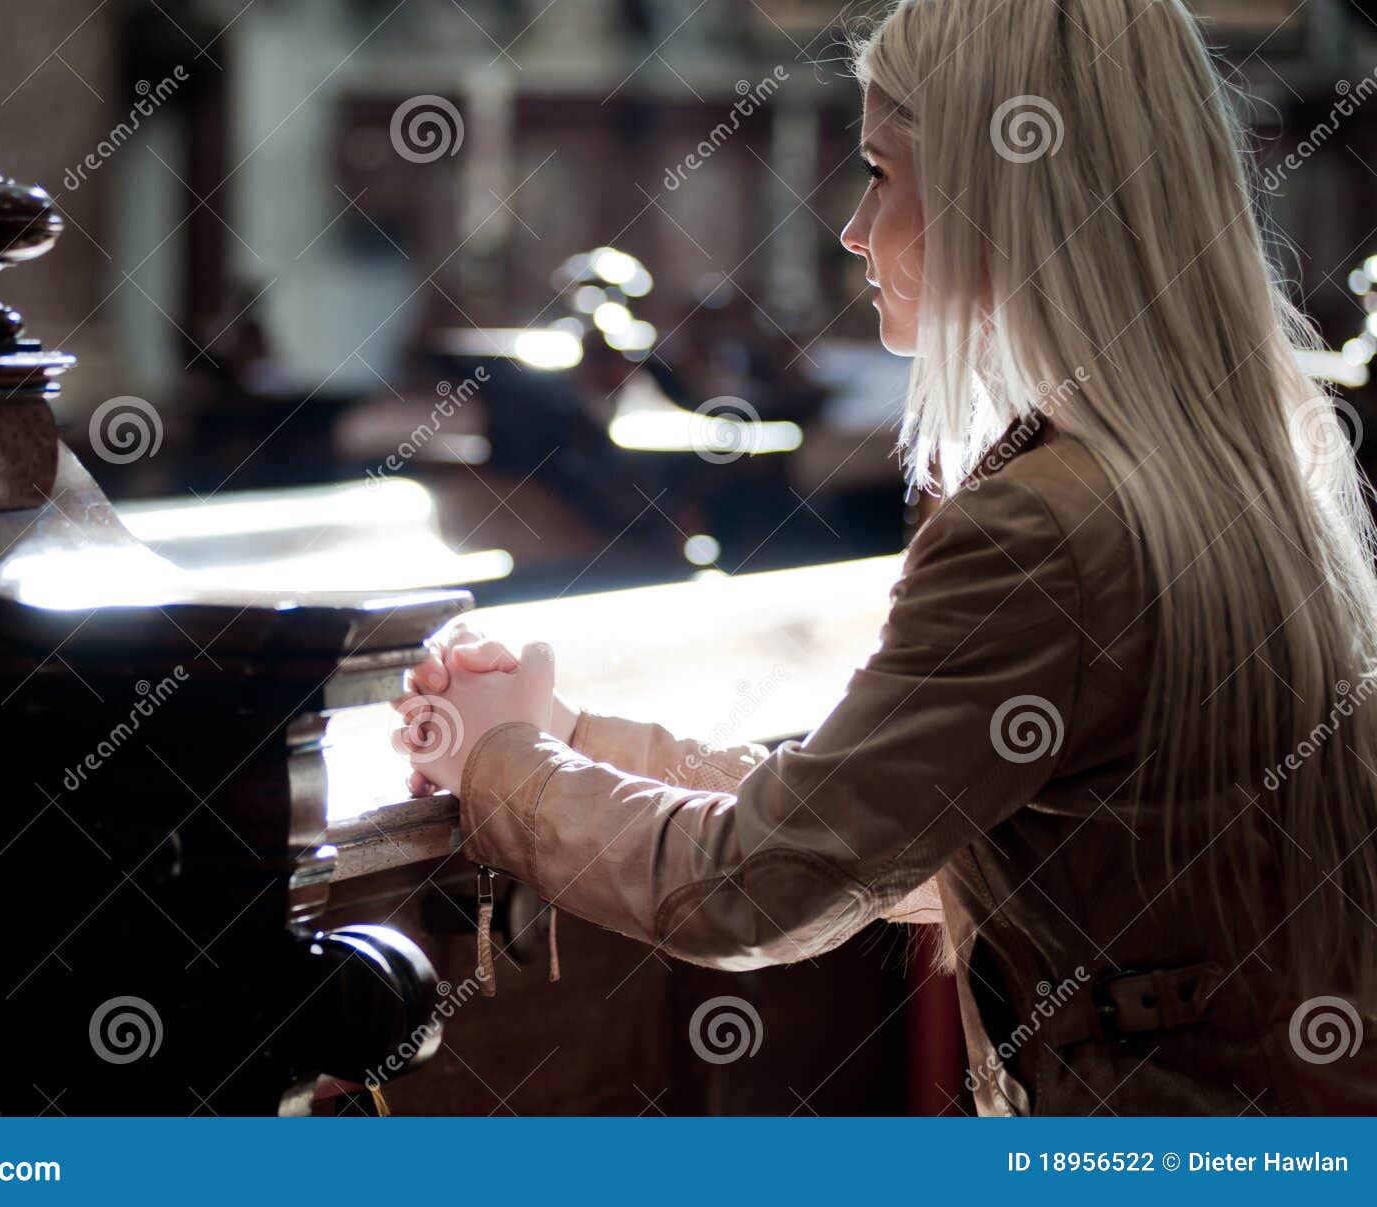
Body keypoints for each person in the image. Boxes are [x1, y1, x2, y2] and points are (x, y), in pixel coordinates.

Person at [393, 0, 1377, 1114]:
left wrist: (501, 764)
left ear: (1003, 190)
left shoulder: (1043, 528)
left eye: (880, 172)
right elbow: (879, 822)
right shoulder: (1242, 453)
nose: (855, 231)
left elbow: (755, 887)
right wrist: (569, 738)